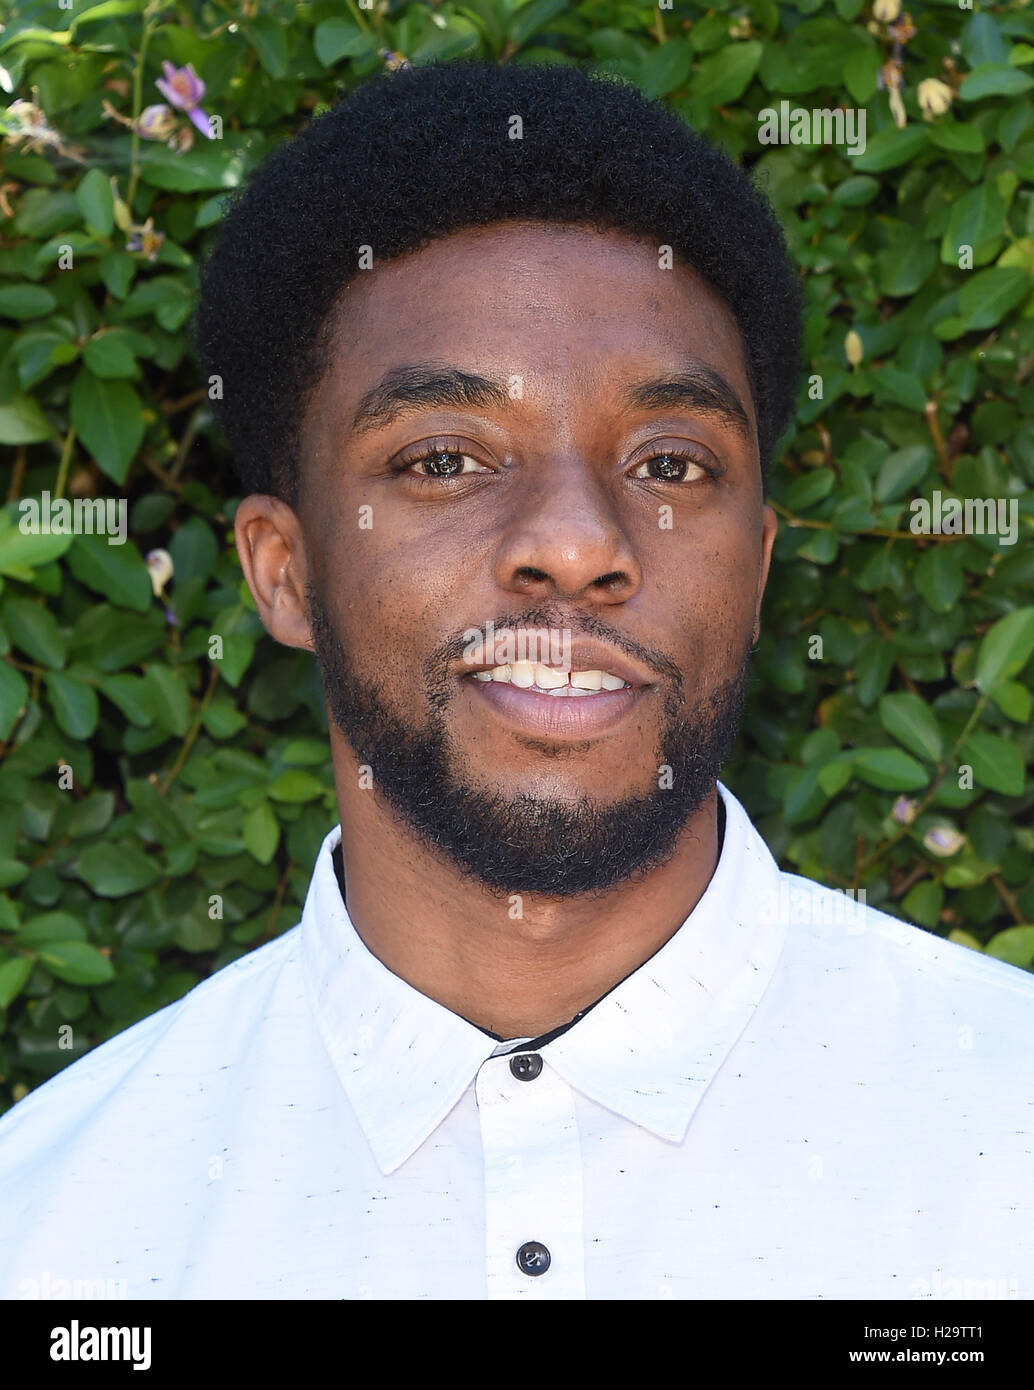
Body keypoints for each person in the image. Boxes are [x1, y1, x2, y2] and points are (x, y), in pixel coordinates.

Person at [2, 58, 1031, 1302]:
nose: (580, 543)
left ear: (757, 570)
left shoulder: (999, 1134)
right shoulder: (53, 1227)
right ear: (281, 571)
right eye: (443, 457)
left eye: (669, 461)